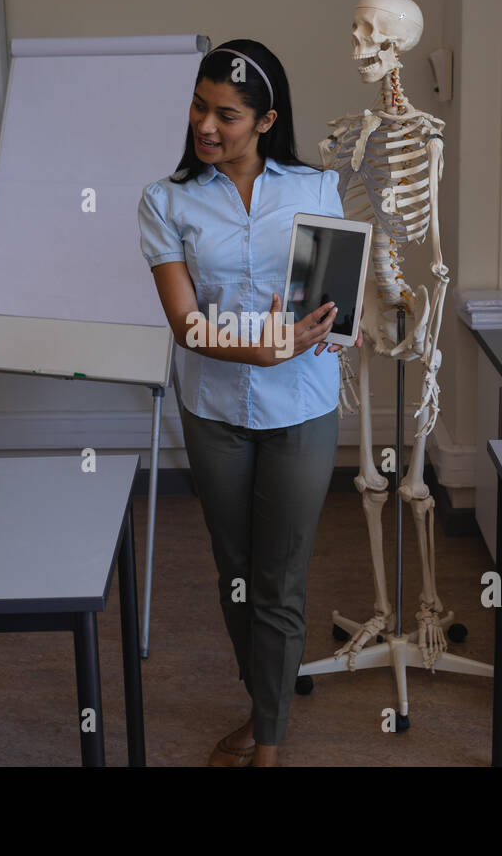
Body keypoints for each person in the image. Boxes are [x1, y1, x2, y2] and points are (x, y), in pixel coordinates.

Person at [138, 39, 357, 766]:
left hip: (303, 407)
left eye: (226, 114)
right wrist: (259, 347)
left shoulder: (316, 188)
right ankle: (263, 697)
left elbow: (333, 297)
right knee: (234, 572)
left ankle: (268, 739)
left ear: (266, 121)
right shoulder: (166, 201)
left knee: (279, 577)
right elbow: (185, 324)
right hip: (214, 410)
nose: (206, 125)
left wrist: (337, 323)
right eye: (199, 107)